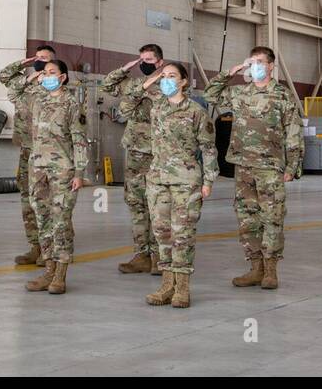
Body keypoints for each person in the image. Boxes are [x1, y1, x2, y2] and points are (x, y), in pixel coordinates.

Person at [204, 46, 303, 290]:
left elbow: (293, 131)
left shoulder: (281, 95)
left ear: (271, 66)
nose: (256, 66)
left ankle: (270, 270)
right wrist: (231, 72)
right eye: (252, 62)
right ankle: (255, 268)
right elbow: (209, 95)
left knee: (272, 217)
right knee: (247, 219)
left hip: (270, 167)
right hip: (243, 166)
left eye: (260, 62)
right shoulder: (239, 93)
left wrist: (293, 165)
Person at [0, 56, 88, 294]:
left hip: (63, 170)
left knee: (61, 221)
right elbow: (12, 88)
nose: (46, 76)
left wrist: (80, 171)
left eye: (51, 72)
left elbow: (79, 140)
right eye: (44, 73)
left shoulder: (71, 105)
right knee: (43, 220)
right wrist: (30, 72)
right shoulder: (36, 98)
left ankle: (60, 274)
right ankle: (48, 270)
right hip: (37, 168)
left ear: (62, 77)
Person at [140, 62, 217, 308]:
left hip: (186, 180)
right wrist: (152, 77)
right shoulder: (155, 108)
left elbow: (207, 147)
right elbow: (128, 101)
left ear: (184, 81)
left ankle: (182, 289)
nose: (166, 80)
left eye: (172, 76)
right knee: (162, 233)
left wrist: (209, 180)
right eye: (164, 76)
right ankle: (166, 285)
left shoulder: (196, 111)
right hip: (158, 180)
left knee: (182, 234)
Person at [101, 43, 164, 276]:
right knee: (136, 203)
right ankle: (141, 255)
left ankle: (159, 256)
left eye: (148, 61)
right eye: (141, 60)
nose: (144, 64)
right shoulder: (132, 83)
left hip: (158, 151)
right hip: (136, 152)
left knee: (157, 205)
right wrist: (124, 69)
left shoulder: (168, 82)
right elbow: (107, 85)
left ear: (159, 61)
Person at [4, 44, 57, 267]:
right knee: (28, 200)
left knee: (50, 201)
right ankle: (35, 246)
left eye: (45, 59)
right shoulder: (25, 87)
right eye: (38, 58)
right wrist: (25, 65)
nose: (40, 61)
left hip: (48, 154)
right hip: (27, 150)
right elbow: (6, 78)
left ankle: (53, 250)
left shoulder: (54, 86)